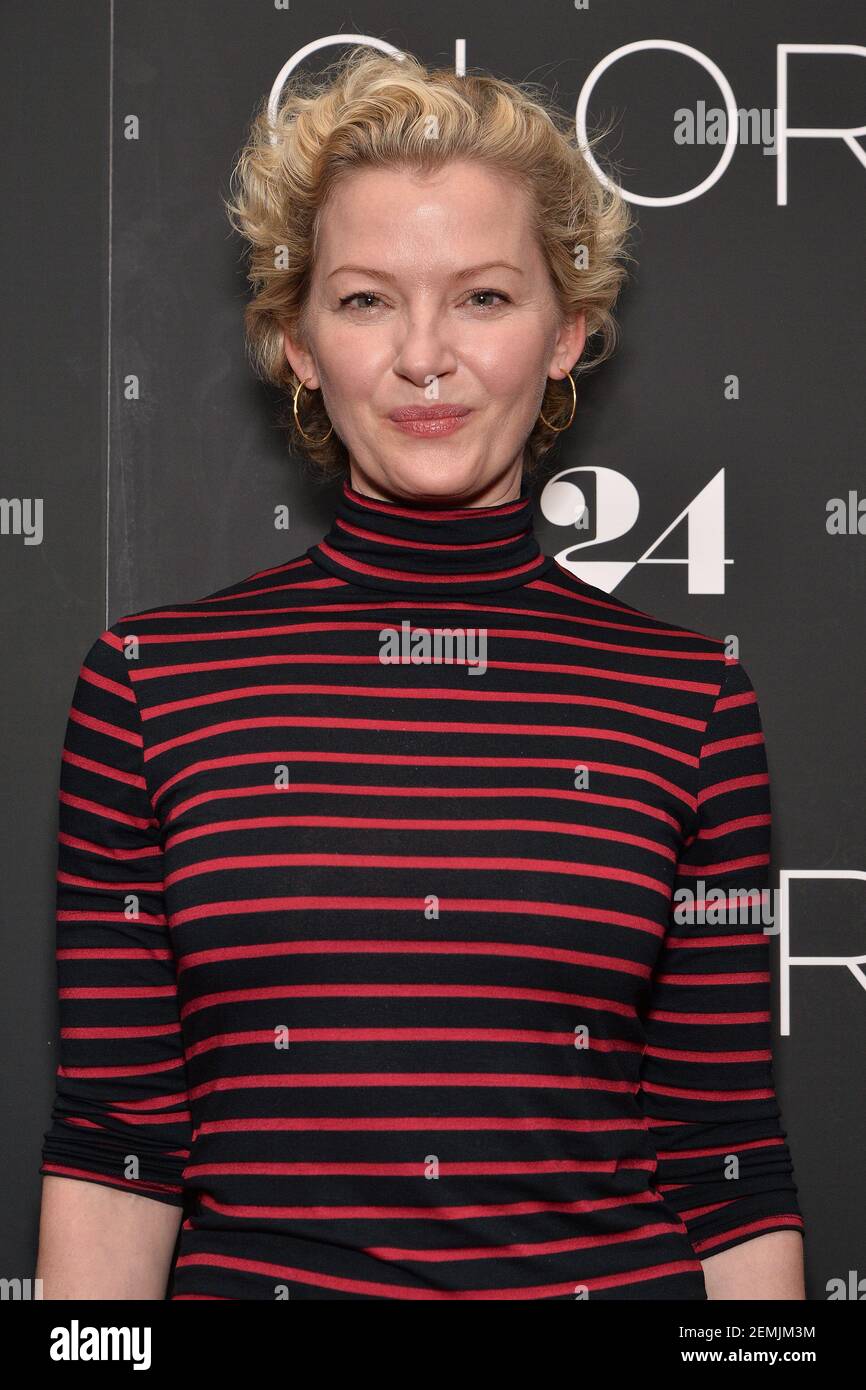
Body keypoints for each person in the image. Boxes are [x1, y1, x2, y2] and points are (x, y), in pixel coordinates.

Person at [35, 45, 805, 1300]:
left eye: (485, 298)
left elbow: (725, 1164)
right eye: (364, 300)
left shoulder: (689, 701)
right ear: (295, 341)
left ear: (567, 333)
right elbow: (118, 1153)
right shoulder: (148, 689)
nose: (425, 358)